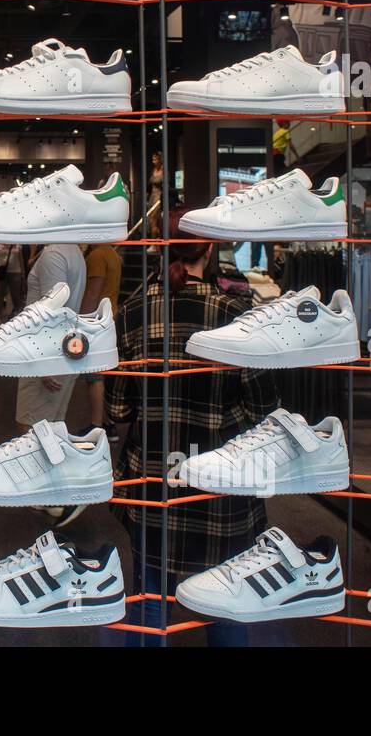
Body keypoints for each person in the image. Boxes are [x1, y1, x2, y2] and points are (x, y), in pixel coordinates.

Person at [106, 211, 279, 646]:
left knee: (149, 601)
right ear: (210, 248)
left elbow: (118, 407)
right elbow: (264, 407)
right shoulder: (237, 313)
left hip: (153, 476)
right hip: (221, 480)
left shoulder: (133, 312)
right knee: (226, 602)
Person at [14, 243, 86, 427]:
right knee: (50, 429)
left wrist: (43, 361)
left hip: (48, 354)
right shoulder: (71, 251)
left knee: (31, 430)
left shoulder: (54, 253)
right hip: (60, 350)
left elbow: (53, 312)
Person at [81, 242, 122, 437]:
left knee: (94, 375)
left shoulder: (97, 255)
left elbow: (92, 293)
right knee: (104, 374)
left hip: (96, 321)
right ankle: (108, 422)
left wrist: (80, 322)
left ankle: (96, 425)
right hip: (110, 317)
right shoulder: (112, 253)